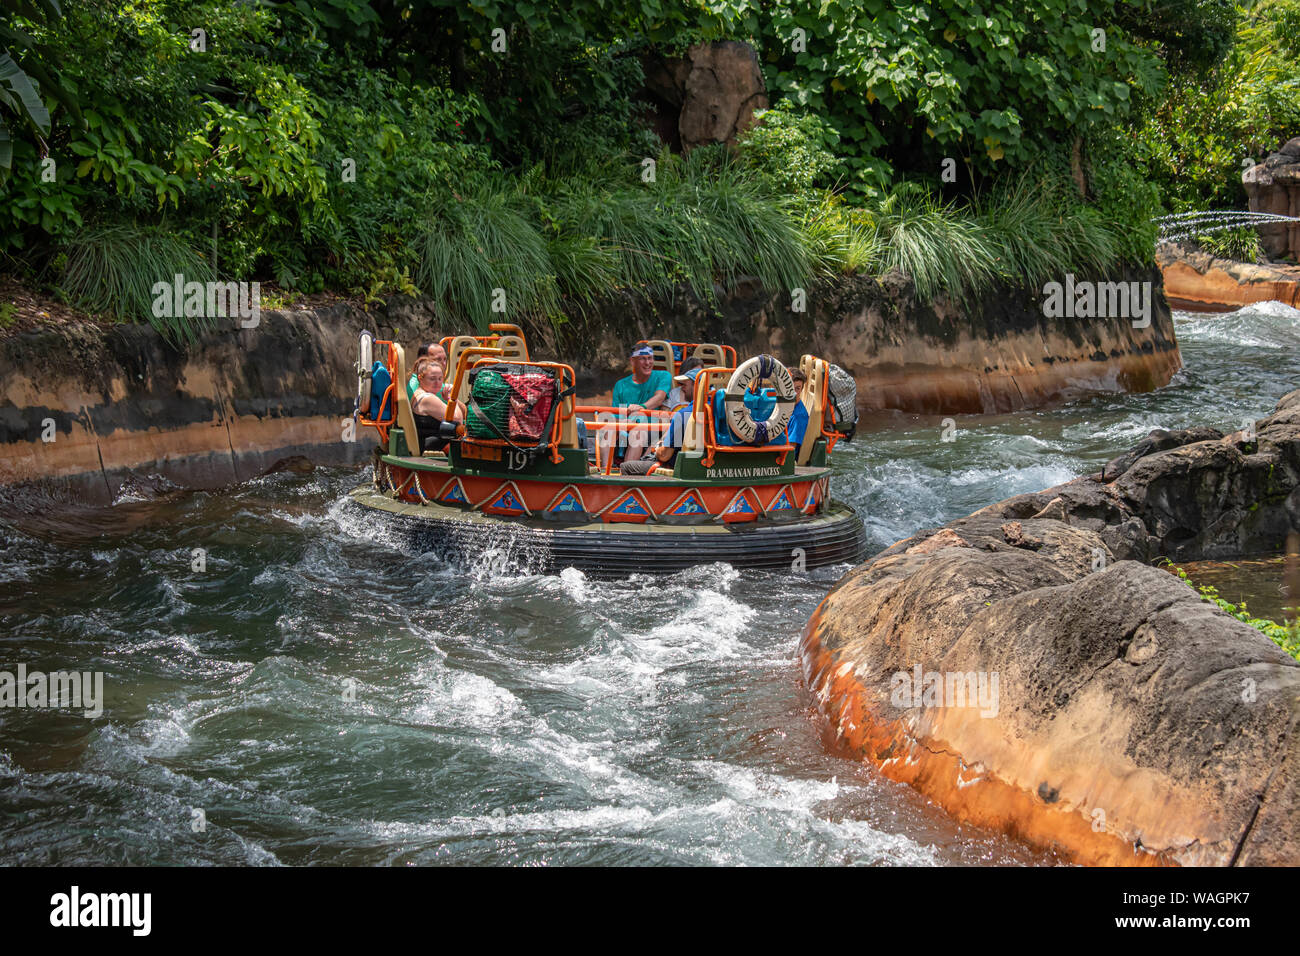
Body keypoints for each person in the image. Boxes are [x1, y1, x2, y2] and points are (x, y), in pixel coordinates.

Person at [620, 367, 699, 475]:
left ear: (696, 386)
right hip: (698, 464)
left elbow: (664, 455)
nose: (683, 389)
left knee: (626, 467)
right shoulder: (716, 410)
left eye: (685, 385)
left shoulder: (683, 415)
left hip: (677, 467)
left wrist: (656, 448)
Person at [612, 344, 672, 463]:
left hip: (652, 430)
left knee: (638, 431)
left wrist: (642, 407)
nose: (647, 362)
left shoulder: (663, 376)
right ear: (633, 361)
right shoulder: (621, 385)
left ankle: (627, 475)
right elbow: (616, 415)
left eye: (650, 358)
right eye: (642, 359)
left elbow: (659, 397)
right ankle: (604, 471)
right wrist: (624, 421)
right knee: (606, 428)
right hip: (626, 427)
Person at [410, 357, 464, 452]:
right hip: (432, 447)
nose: (437, 383)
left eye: (440, 378)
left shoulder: (418, 394)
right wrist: (451, 398)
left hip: (429, 442)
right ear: (420, 378)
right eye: (432, 379)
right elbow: (458, 420)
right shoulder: (428, 399)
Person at [785, 368, 810, 449]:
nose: (793, 392)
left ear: (801, 389)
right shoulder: (785, 406)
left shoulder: (798, 417)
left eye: (797, 388)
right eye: (791, 387)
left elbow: (790, 452)